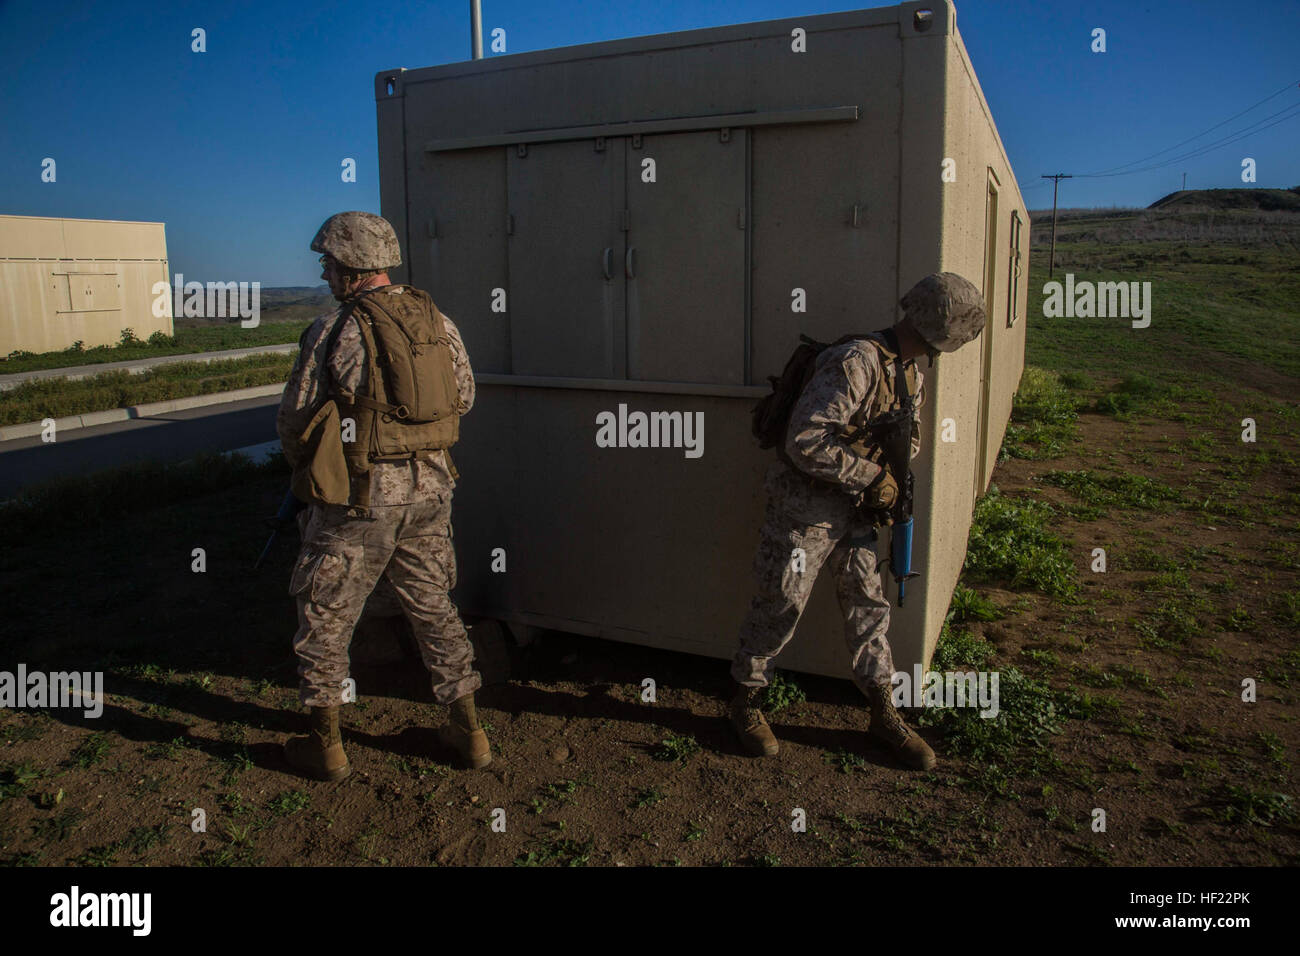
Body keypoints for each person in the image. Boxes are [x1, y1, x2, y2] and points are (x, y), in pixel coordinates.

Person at [728, 272, 987, 771]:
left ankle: (882, 710)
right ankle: (745, 702)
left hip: (856, 511)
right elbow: (804, 439)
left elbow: (906, 444)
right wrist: (871, 476)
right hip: (805, 511)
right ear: (942, 331)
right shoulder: (855, 363)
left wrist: (888, 483)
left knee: (869, 607)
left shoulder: (912, 374)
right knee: (780, 603)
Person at [276, 210, 488, 780]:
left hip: (359, 495)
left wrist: (309, 472)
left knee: (326, 612)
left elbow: (295, 420)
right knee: (434, 605)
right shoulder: (440, 323)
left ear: (351, 266)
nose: (324, 272)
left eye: (328, 262)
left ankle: (324, 745)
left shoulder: (332, 330)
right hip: (432, 488)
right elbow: (463, 398)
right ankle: (468, 730)